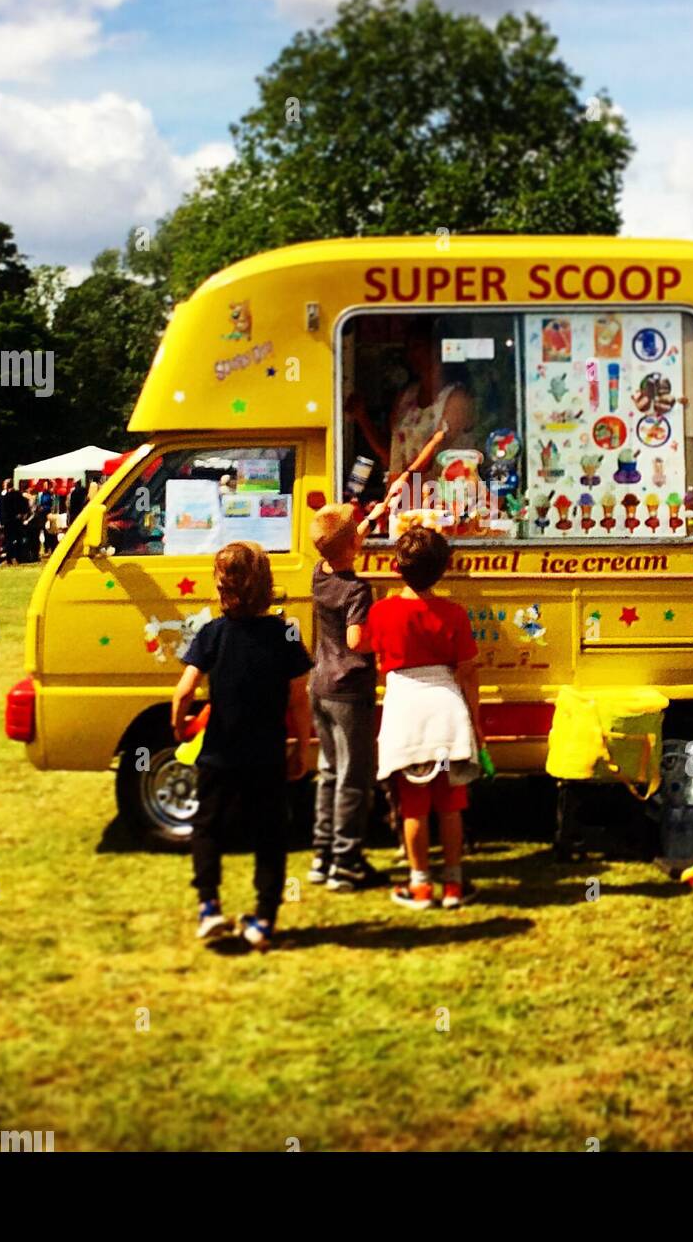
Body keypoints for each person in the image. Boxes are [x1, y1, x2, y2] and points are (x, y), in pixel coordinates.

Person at [171, 541, 313, 950]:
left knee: (208, 828)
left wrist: (179, 727)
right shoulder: (285, 633)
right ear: (266, 585)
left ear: (221, 587)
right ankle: (264, 919)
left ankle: (209, 907)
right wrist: (300, 747)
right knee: (270, 834)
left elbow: (184, 692)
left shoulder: (212, 633)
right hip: (266, 754)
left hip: (220, 753)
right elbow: (299, 699)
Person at [367, 525, 484, 909]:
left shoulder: (381, 611)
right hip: (446, 710)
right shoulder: (453, 614)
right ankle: (453, 884)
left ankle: (420, 885)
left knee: (413, 804)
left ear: (397, 567)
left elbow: (373, 651)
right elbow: (467, 672)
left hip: (406, 711)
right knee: (451, 804)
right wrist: (477, 724)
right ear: (444, 569)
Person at [307, 504, 382, 892]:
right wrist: (380, 630)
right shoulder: (358, 590)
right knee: (354, 777)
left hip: (319, 686)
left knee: (330, 772)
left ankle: (322, 856)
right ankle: (347, 860)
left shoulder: (319, 574)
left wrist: (369, 520)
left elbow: (342, 546)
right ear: (354, 544)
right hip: (350, 691)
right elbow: (357, 639)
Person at [347, 322, 475, 480]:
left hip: (443, 496)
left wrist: (405, 479)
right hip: (405, 496)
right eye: (409, 348)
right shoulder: (405, 397)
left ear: (437, 350)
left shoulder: (458, 398)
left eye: (418, 347)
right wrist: (362, 417)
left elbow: (436, 448)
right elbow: (391, 455)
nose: (411, 355)